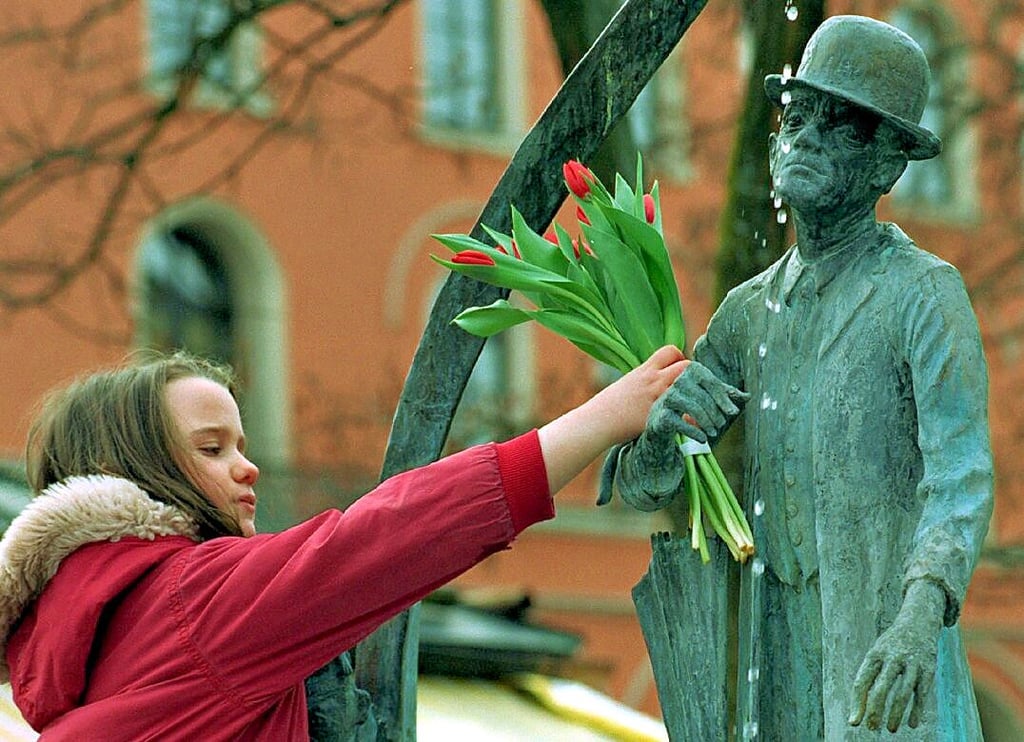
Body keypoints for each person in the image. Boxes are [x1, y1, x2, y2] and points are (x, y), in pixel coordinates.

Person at [602, 15, 993, 740]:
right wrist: (662, 432)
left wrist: (918, 620)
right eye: (796, 114)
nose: (805, 135)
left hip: (886, 658)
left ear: (887, 164)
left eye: (840, 124)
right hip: (776, 664)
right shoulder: (748, 311)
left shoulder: (923, 293)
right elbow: (641, 487)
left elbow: (961, 477)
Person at [0, 344, 687, 740]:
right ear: (136, 465)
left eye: (241, 442)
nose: (248, 466)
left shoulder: (88, 635)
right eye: (211, 449)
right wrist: (601, 420)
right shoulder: (194, 602)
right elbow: (387, 537)